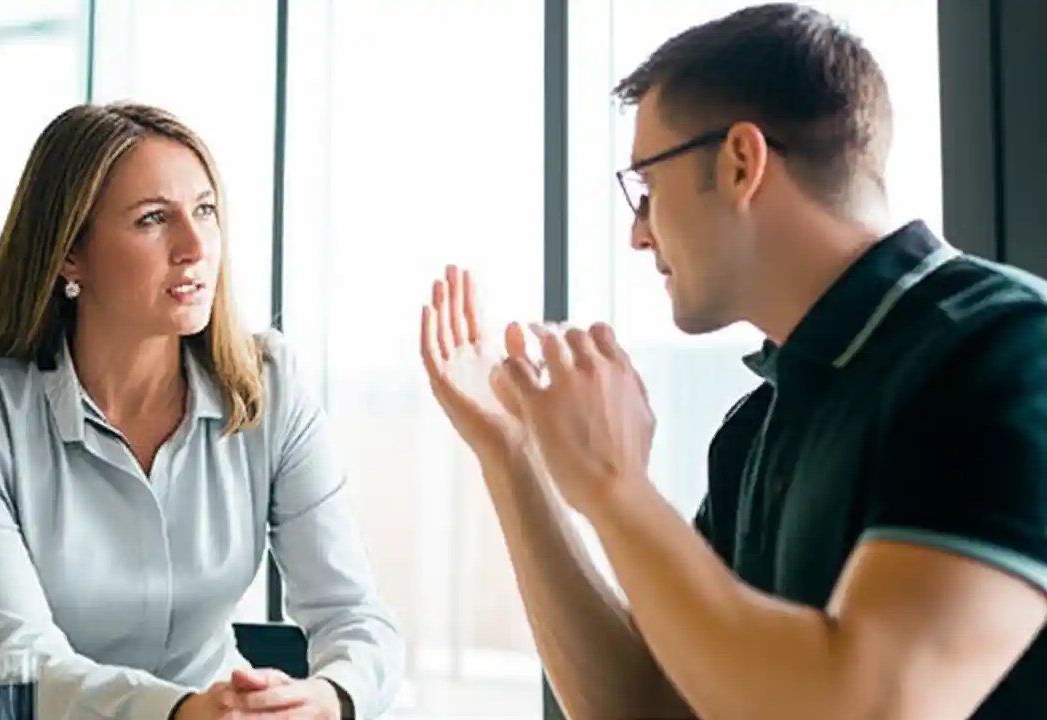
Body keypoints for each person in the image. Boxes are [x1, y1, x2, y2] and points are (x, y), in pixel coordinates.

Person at [421, 4, 1047, 719]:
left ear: (741, 162)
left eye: (646, 188)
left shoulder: (1006, 348)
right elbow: (646, 707)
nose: (636, 233)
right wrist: (515, 461)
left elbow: (872, 706)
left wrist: (615, 486)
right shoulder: (756, 427)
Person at [0, 102, 403, 720]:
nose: (196, 246)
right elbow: (18, 656)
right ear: (70, 253)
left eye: (205, 211)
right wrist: (182, 712)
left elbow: (355, 617)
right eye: (153, 219)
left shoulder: (269, 387)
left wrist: (328, 697)